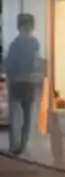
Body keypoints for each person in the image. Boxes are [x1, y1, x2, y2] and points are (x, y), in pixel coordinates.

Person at [5, 13, 44, 156]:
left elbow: (9, 64)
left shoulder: (15, 44)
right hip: (26, 83)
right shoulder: (34, 44)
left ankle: (17, 145)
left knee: (18, 116)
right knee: (25, 116)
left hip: (18, 83)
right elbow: (36, 62)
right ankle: (21, 144)